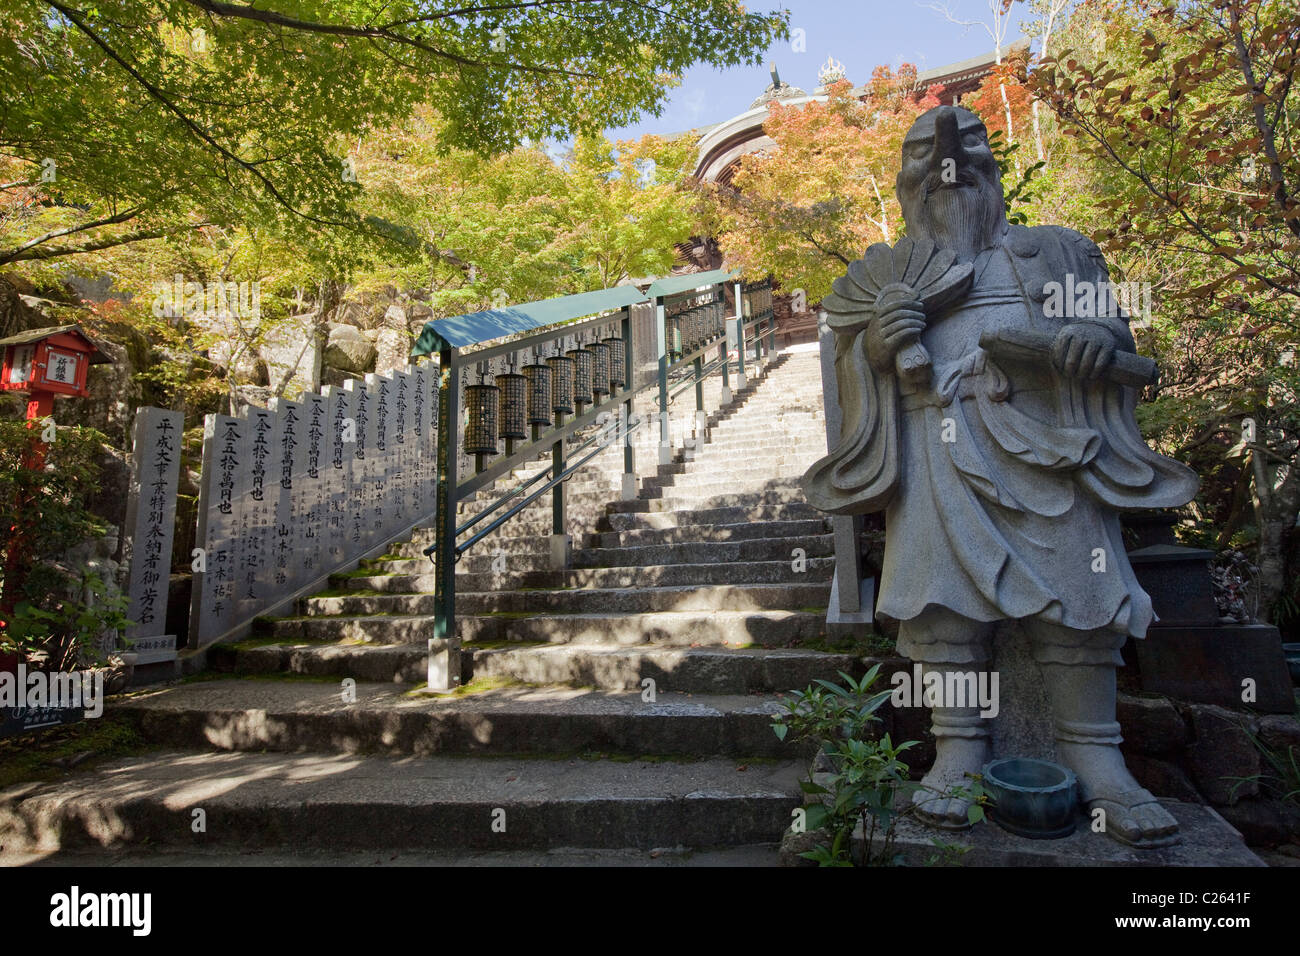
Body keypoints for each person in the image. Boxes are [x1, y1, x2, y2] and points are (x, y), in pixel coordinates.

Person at [803, 105, 1198, 847]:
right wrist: (877, 351)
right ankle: (958, 746)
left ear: (994, 164)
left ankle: (1098, 757)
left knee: (1081, 593)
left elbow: (1117, 337)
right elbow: (852, 374)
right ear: (900, 180)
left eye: (969, 144)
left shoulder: (1056, 251)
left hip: (1051, 442)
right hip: (932, 442)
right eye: (920, 151)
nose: (946, 162)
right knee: (941, 598)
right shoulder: (897, 272)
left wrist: (1086, 342)